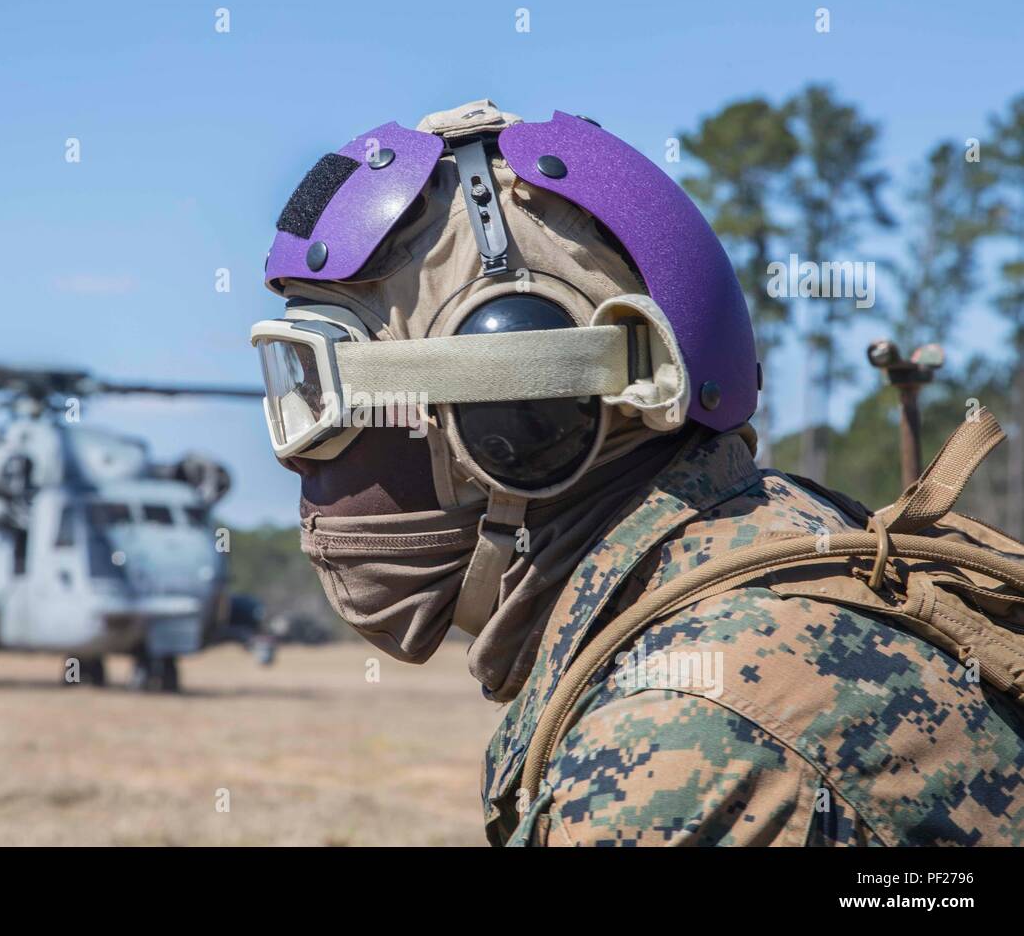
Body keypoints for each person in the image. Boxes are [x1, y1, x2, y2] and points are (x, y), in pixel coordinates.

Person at [248, 100, 1024, 846]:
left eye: (323, 392)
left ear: (517, 415)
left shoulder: (690, 751)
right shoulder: (789, 543)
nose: (294, 455)